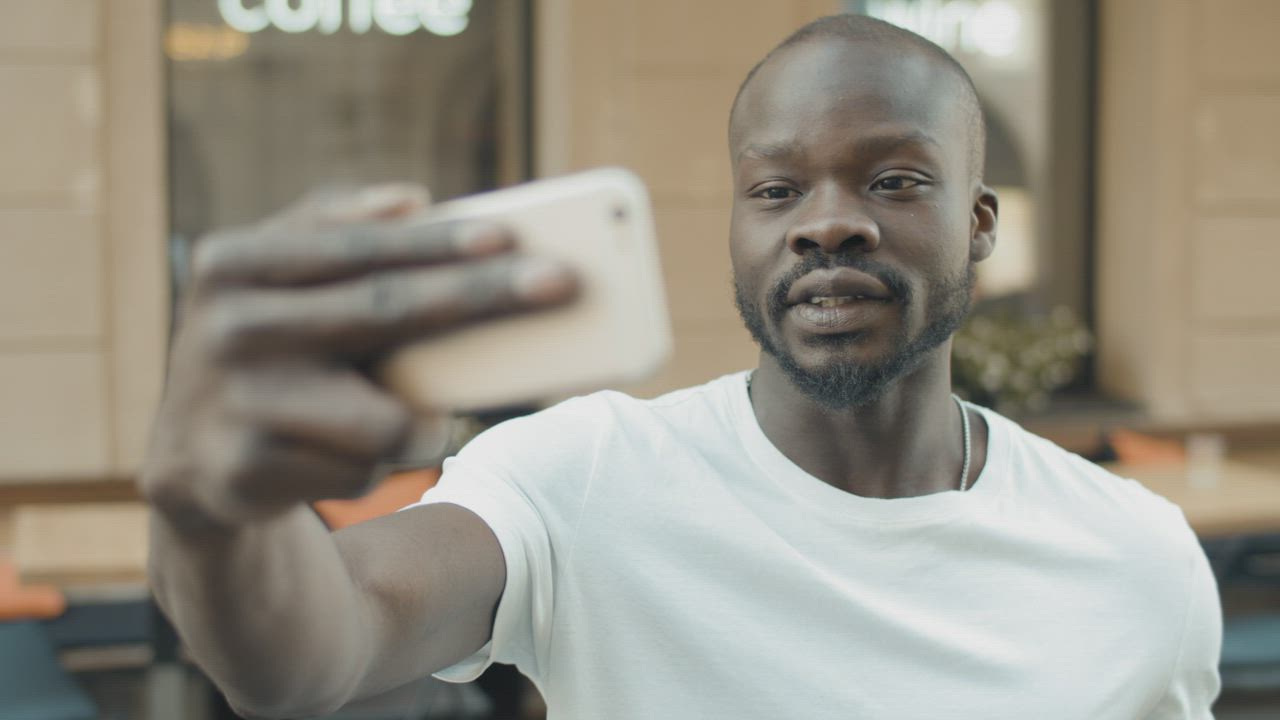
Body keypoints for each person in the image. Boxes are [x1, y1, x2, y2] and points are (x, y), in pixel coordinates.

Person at [141, 14, 1221, 720]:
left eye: (892, 181)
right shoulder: (581, 477)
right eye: (775, 190)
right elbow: (312, 650)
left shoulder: (1135, 560)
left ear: (978, 223)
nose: (825, 225)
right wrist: (209, 515)